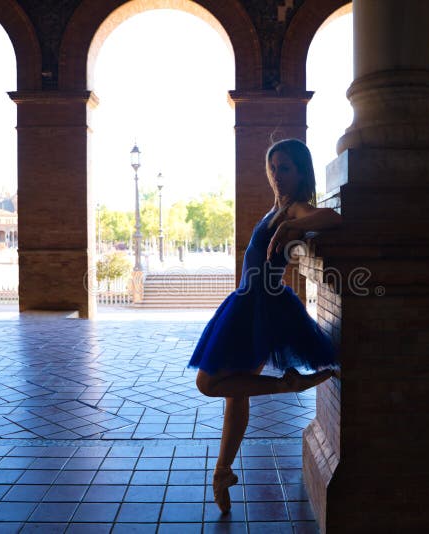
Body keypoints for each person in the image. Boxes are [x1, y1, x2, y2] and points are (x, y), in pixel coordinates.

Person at [188, 138, 342, 513]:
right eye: (272, 167)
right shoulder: (277, 209)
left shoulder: (296, 209)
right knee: (234, 395)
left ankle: (291, 385)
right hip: (246, 304)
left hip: (262, 309)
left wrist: (289, 229)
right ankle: (222, 472)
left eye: (285, 167)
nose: (276, 174)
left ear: (300, 171)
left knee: (208, 383)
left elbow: (334, 219)